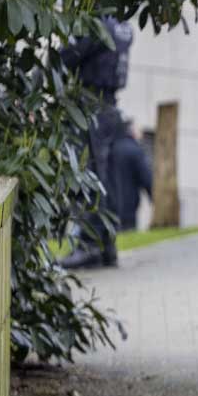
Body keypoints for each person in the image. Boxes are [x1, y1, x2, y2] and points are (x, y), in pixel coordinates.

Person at [58, 15, 133, 268]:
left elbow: (68, 56)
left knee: (90, 176)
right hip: (110, 106)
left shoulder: (101, 26)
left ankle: (89, 246)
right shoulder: (125, 26)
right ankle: (107, 246)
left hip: (92, 106)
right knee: (107, 179)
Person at [106, 119, 151, 231]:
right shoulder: (135, 150)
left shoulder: (110, 147)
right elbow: (147, 178)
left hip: (108, 205)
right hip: (129, 208)